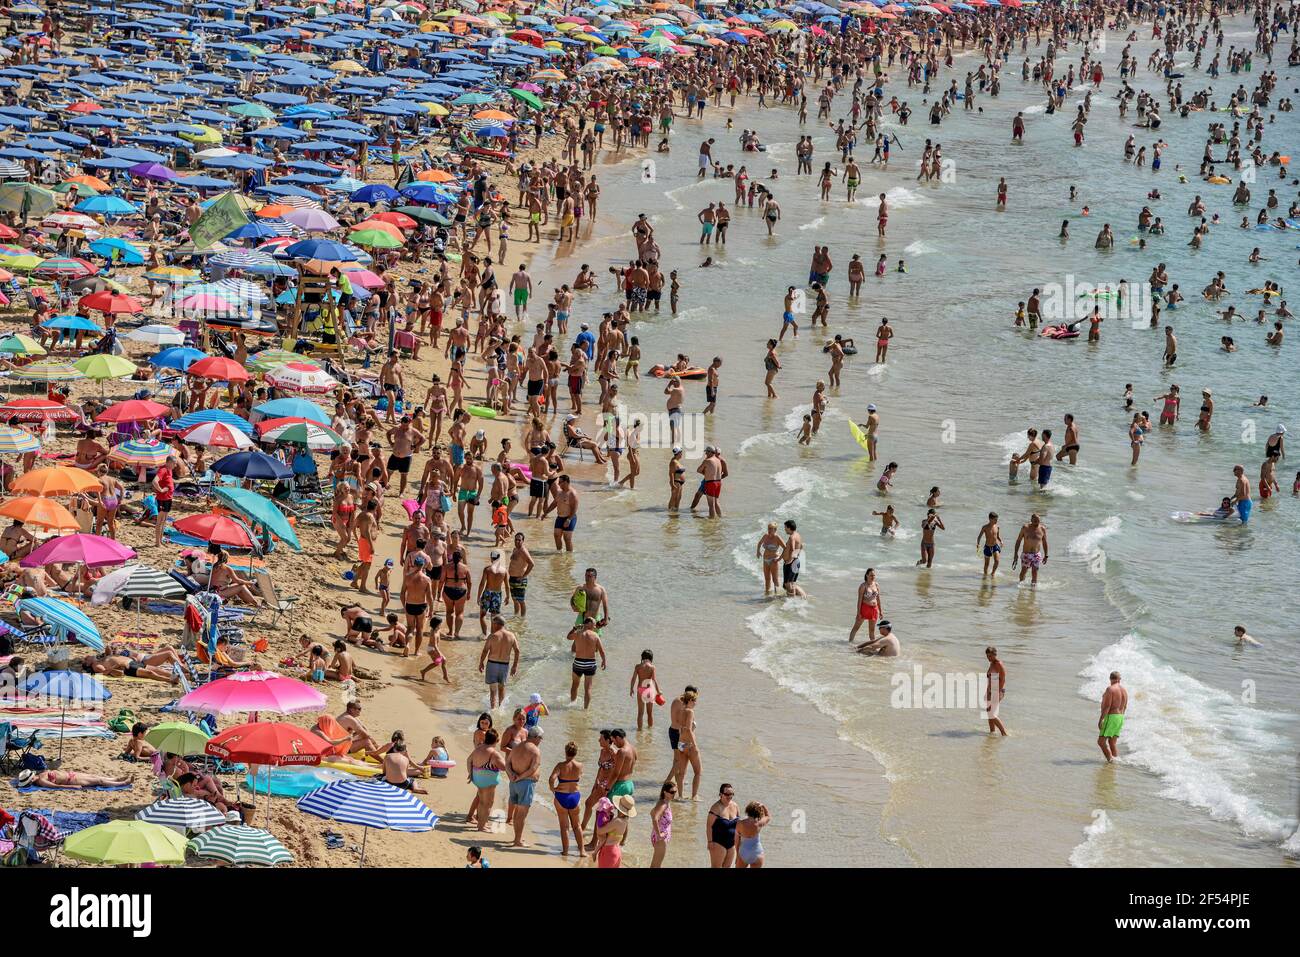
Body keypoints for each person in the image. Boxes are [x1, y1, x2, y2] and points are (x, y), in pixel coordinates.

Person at [506, 725, 542, 848]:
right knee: (522, 813)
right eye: (541, 738)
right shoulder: (535, 750)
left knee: (517, 811)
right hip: (525, 783)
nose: (541, 741)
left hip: (514, 783)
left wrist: (511, 775)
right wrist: (520, 777)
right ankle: (517, 840)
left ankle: (516, 838)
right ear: (536, 737)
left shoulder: (517, 746)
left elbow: (508, 763)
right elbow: (533, 769)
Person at [548, 740, 586, 858]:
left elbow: (551, 779)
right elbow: (579, 777)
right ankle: (582, 851)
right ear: (576, 753)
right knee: (577, 825)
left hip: (561, 797)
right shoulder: (580, 765)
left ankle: (565, 851)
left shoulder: (560, 765)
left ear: (565, 752)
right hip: (575, 797)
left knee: (564, 827)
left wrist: (553, 789)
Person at [594, 794, 634, 868]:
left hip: (608, 851)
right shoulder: (625, 821)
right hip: (616, 850)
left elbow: (599, 831)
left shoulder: (617, 821)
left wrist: (599, 816)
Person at [1097, 670, 1128, 763]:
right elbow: (1125, 706)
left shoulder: (1110, 689)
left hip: (1111, 717)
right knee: (1112, 743)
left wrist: (1101, 719)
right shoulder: (1124, 690)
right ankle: (1115, 759)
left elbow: (1107, 706)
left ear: (1110, 679)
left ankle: (1111, 760)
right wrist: (1119, 718)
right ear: (1119, 679)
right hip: (1120, 717)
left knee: (1101, 742)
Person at [735, 801, 771, 868]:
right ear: (758, 812)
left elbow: (737, 841)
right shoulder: (759, 823)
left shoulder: (740, 823)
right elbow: (768, 816)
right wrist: (763, 806)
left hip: (743, 852)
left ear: (747, 810)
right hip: (757, 852)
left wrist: (737, 855)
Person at [649, 781, 676, 868]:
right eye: (672, 792)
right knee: (655, 866)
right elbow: (655, 818)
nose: (674, 794)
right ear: (665, 792)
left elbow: (652, 813)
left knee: (656, 865)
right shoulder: (663, 805)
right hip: (660, 839)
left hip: (660, 838)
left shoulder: (664, 802)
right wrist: (659, 834)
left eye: (675, 791)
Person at [984, 647, 1008, 736]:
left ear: (995, 655)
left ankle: (1004, 734)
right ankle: (992, 733)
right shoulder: (992, 664)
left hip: (997, 691)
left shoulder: (998, 664)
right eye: (987, 656)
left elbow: (1003, 680)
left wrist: (997, 694)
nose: (988, 658)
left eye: (990, 656)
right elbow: (991, 679)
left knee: (991, 713)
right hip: (991, 691)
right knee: (989, 713)